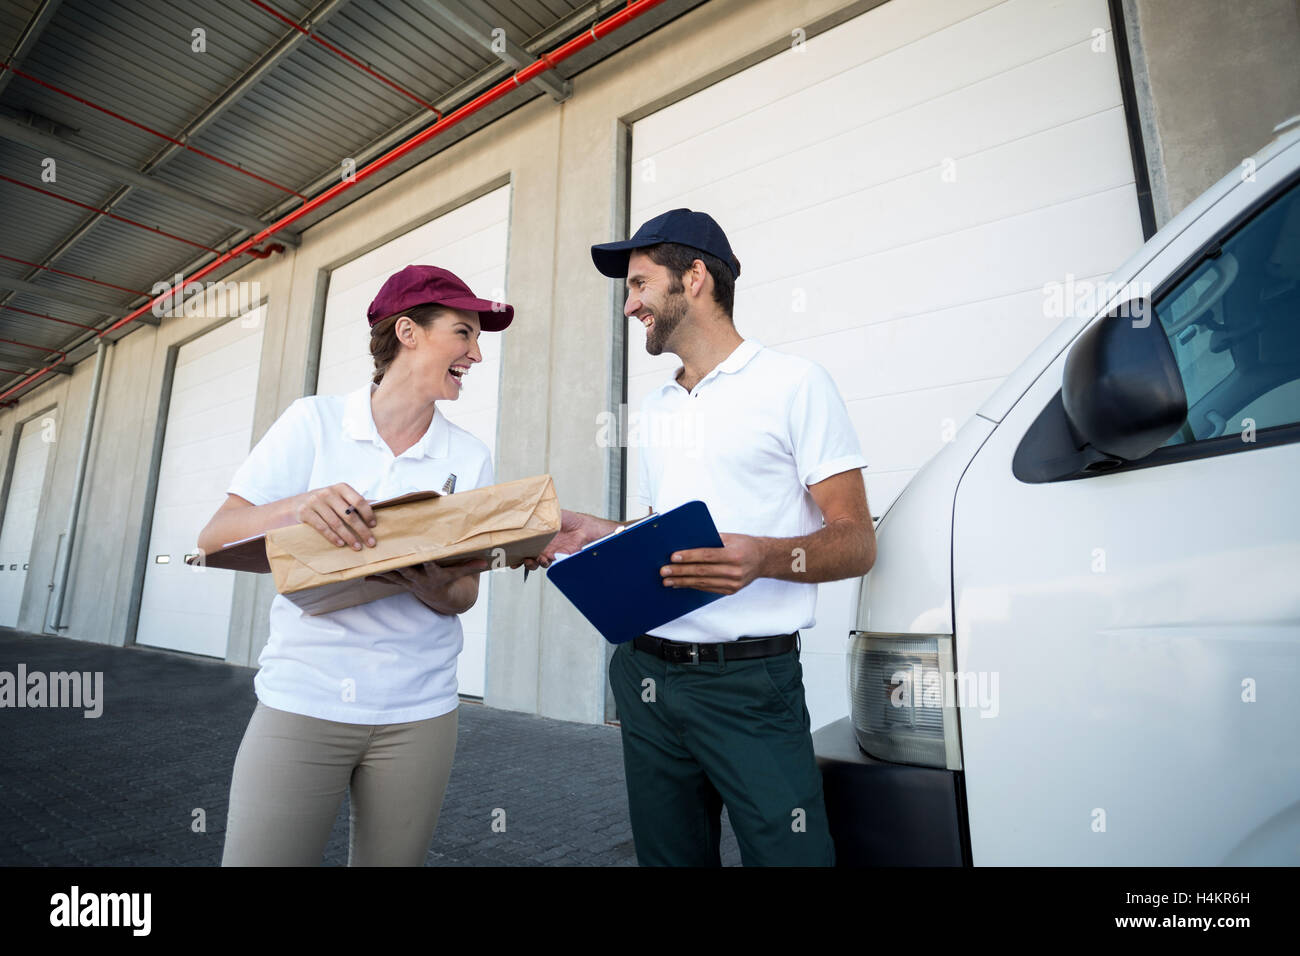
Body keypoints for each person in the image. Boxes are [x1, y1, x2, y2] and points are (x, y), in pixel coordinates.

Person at [533, 208, 876, 866]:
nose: (629, 304)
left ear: (693, 279)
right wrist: (600, 533)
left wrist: (764, 559)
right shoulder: (660, 407)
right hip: (646, 678)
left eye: (639, 284)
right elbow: (669, 533)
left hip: (750, 686)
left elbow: (857, 541)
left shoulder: (795, 385)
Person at [198, 264, 512, 866]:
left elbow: (465, 595)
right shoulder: (313, 423)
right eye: (463, 333)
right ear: (408, 332)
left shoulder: (468, 457)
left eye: (477, 339)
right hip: (303, 701)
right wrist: (298, 507)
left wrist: (435, 581)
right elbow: (214, 539)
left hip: (419, 713)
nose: (476, 354)